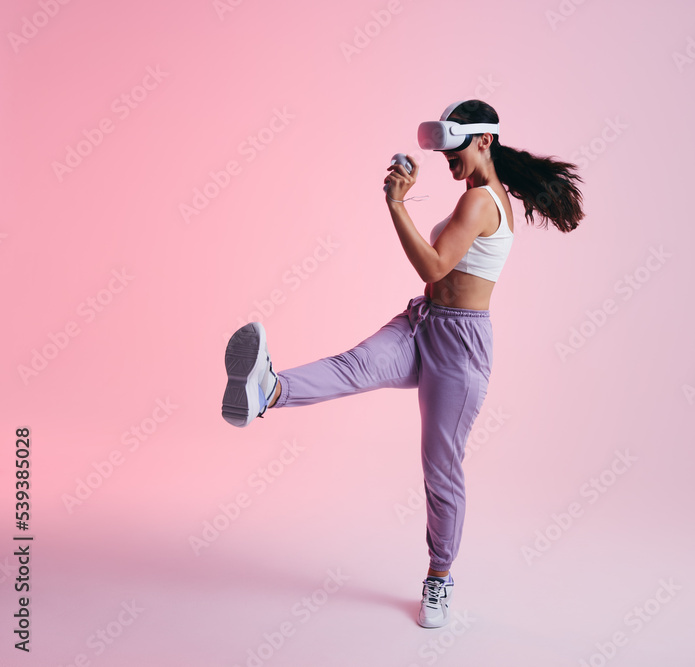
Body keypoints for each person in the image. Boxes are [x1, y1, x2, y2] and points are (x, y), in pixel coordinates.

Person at [220, 99, 584, 628]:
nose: (449, 160)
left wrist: (396, 204)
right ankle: (266, 391)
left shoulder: (482, 202)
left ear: (484, 141)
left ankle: (440, 578)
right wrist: (403, 201)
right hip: (424, 321)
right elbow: (437, 274)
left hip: (460, 350)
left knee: (440, 470)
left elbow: (436, 263)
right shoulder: (475, 197)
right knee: (354, 365)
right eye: (445, 151)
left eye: (456, 148)